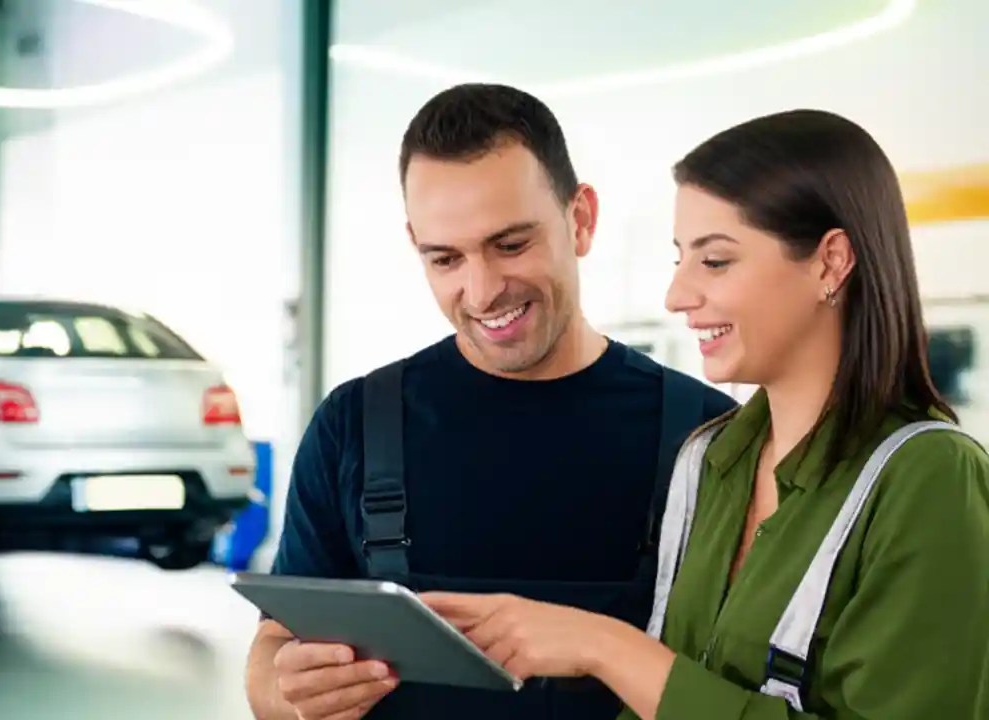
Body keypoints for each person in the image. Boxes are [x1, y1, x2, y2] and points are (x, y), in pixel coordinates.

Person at [422, 109, 989, 719]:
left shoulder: (931, 479)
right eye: (680, 259)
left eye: (715, 261)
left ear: (830, 262)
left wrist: (607, 647)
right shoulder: (711, 461)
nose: (678, 296)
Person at [244, 83, 736, 720]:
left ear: (580, 219)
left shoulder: (708, 436)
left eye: (511, 245)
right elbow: (272, 651)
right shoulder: (355, 424)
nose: (481, 292)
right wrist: (287, 692)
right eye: (445, 258)